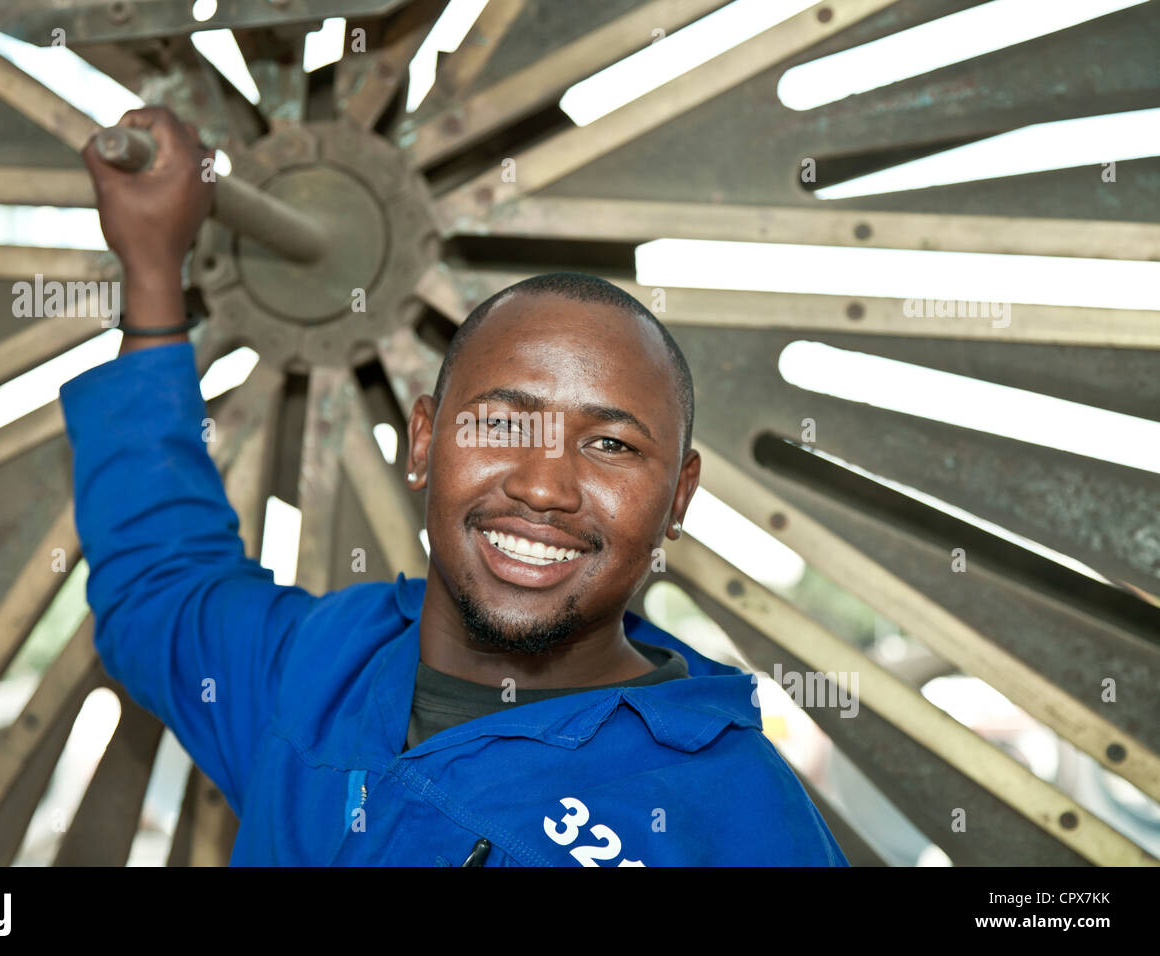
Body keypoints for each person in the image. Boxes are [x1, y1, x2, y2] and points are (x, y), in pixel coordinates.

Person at [60, 106, 849, 866]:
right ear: (425, 441)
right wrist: (153, 271)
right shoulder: (318, 672)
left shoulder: (737, 820)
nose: (544, 488)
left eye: (609, 444)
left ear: (678, 499)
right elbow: (159, 580)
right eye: (503, 424)